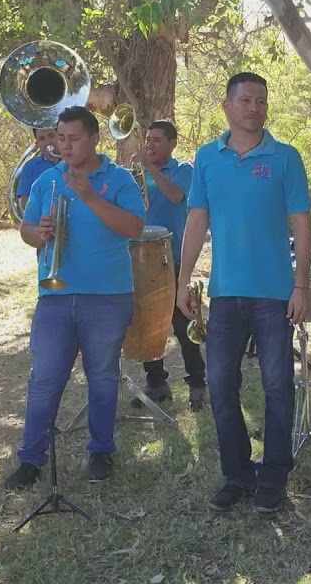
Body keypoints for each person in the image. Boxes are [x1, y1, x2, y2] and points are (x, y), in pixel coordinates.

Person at [176, 72, 311, 516]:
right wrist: (183, 281)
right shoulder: (207, 158)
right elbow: (196, 221)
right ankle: (237, 474)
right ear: (227, 106)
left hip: (274, 295)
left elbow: (302, 224)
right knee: (219, 384)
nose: (255, 108)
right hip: (225, 293)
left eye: (261, 101)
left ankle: (273, 476)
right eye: (246, 100)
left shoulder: (285, 158)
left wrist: (301, 285)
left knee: (277, 386)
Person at [3, 106, 146, 488]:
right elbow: (26, 229)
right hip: (55, 295)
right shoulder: (46, 181)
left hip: (108, 295)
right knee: (45, 379)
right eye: (60, 138)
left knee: (101, 377)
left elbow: (134, 228)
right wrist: (39, 233)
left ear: (95, 138)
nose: (63, 146)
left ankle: (100, 451)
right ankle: (30, 459)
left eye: (73, 139)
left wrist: (91, 198)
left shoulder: (119, 179)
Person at [130, 119, 207, 411]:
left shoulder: (184, 171)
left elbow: (176, 196)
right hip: (140, 257)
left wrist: (150, 168)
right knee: (148, 324)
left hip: (173, 258)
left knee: (182, 322)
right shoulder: (137, 174)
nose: (149, 145)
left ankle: (197, 382)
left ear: (173, 144)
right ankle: (156, 382)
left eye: (157, 140)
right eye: (148, 139)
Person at [15, 127, 61, 211]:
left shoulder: (74, 161)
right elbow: (25, 201)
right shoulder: (30, 166)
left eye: (51, 135)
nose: (48, 142)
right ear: (37, 144)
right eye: (42, 139)